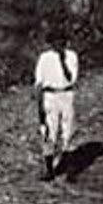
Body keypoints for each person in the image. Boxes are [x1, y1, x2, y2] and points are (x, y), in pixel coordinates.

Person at [33, 23, 79, 180]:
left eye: (62, 41)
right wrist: (39, 105)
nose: (59, 44)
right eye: (55, 41)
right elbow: (39, 83)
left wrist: (62, 59)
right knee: (49, 132)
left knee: (68, 131)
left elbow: (71, 78)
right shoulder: (44, 58)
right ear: (51, 42)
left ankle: (71, 169)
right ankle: (49, 169)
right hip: (50, 96)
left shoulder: (71, 56)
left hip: (66, 94)